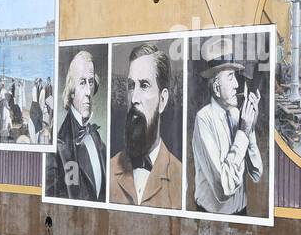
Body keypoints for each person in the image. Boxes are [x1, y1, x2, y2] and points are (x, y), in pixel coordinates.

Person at [192, 38, 263, 215]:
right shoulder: (203, 119)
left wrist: (250, 129)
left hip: (241, 212)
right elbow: (223, 189)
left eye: (235, 77)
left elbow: (256, 172)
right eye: (230, 77)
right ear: (216, 88)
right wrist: (243, 132)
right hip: (212, 219)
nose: (237, 85)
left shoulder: (236, 114)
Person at [110, 43, 182, 209]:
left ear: (162, 100)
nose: (134, 97)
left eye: (144, 85)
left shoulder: (181, 177)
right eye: (131, 86)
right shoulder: (109, 170)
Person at [46, 50, 105, 201]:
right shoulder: (58, 146)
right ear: (71, 91)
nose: (88, 92)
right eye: (82, 82)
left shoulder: (96, 136)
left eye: (90, 82)